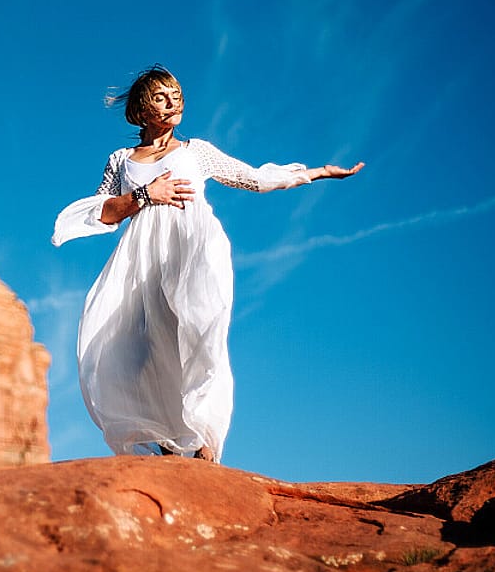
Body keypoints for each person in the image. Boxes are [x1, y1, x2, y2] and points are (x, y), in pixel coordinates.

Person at [51, 65, 363, 462]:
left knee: (201, 332)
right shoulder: (121, 160)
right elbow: (103, 213)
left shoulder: (196, 151)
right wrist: (145, 195)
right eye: (161, 96)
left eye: (177, 94)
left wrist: (315, 173)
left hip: (194, 248)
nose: (173, 101)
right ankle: (165, 441)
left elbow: (252, 178)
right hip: (141, 261)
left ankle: (203, 441)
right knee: (140, 348)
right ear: (141, 110)